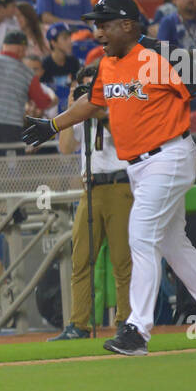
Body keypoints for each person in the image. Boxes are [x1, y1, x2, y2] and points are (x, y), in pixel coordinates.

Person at [21, 0, 196, 356]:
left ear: (128, 25)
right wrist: (53, 125)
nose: (97, 31)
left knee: (141, 235)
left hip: (170, 155)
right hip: (137, 165)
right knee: (171, 242)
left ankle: (137, 329)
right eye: (95, 24)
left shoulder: (165, 54)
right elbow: (94, 101)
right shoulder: (109, 62)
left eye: (104, 24)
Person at [49, 64, 132, 340]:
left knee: (123, 260)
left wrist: (102, 112)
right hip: (91, 187)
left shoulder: (121, 106)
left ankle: (127, 322)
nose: (90, 94)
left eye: (93, 87)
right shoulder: (80, 114)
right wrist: (73, 110)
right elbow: (65, 148)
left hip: (119, 184)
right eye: (84, 87)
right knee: (81, 258)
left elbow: (126, 142)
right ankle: (79, 324)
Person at [0, 30, 54, 147]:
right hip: (10, 131)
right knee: (7, 165)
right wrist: (53, 97)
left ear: (4, 45)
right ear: (22, 49)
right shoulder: (27, 72)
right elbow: (43, 102)